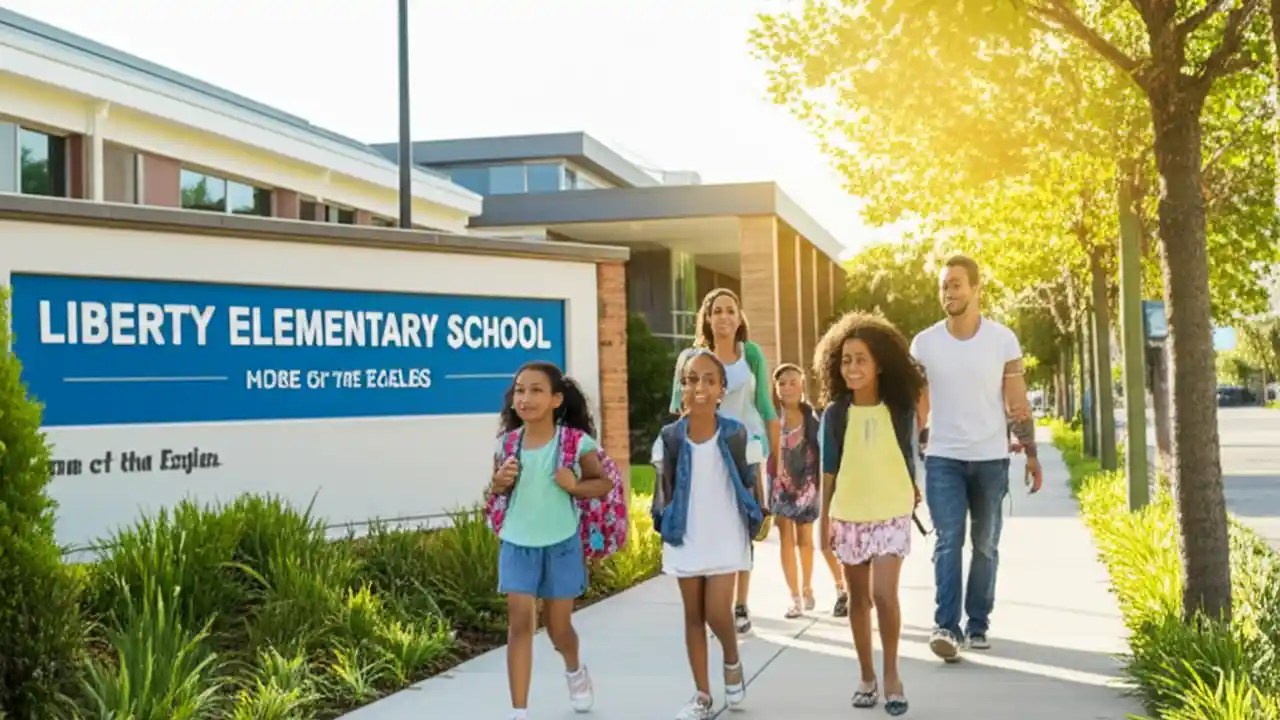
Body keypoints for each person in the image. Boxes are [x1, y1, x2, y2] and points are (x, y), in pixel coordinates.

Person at [910, 255, 1043, 663]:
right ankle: (946, 627)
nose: (948, 292)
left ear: (975, 288)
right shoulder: (924, 343)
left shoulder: (1002, 340)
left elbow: (1017, 404)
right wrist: (912, 454)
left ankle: (978, 623)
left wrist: (1032, 453)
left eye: (955, 284)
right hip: (944, 458)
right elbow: (917, 404)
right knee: (948, 540)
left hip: (990, 458)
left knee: (984, 543)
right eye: (944, 286)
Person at [487, 361, 614, 720]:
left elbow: (603, 483)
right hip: (516, 541)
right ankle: (519, 710)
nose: (525, 398)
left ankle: (575, 670)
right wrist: (500, 481)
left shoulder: (575, 442)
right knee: (520, 624)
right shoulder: (506, 444)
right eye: (520, 390)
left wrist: (573, 485)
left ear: (557, 399)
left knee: (559, 628)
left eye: (536, 390)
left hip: (561, 543)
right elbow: (496, 490)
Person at [815, 312, 925, 717]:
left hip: (892, 511)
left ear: (879, 363)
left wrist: (915, 486)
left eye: (861, 359)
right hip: (848, 514)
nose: (853, 367)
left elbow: (910, 454)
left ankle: (892, 673)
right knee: (858, 598)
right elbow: (828, 471)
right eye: (846, 360)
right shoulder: (834, 415)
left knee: (884, 595)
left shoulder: (899, 409)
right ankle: (866, 675)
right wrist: (824, 519)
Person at [652, 349, 766, 720]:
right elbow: (661, 490)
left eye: (708, 380)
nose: (699, 387)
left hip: (724, 531)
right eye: (691, 380)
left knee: (718, 612)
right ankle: (702, 694)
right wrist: (662, 525)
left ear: (721, 390)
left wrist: (759, 516)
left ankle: (731, 657)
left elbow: (753, 481)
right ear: (681, 389)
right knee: (692, 614)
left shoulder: (735, 433)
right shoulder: (669, 437)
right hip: (686, 532)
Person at [669, 288, 779, 633]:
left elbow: (765, 406)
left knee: (743, 524)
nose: (724, 317)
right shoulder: (690, 357)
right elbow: (678, 407)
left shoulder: (753, 355)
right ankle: (706, 597)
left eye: (731, 310)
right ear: (707, 317)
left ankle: (741, 603)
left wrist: (774, 459)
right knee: (704, 521)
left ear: (739, 317)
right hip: (703, 450)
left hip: (745, 451)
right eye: (717, 311)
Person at [769, 363, 848, 619]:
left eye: (793, 382)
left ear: (802, 385)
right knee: (785, 539)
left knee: (806, 540)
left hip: (807, 485)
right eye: (782, 383)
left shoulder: (813, 417)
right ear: (776, 388)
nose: (788, 387)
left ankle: (807, 588)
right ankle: (794, 597)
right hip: (780, 486)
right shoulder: (772, 418)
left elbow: (825, 452)